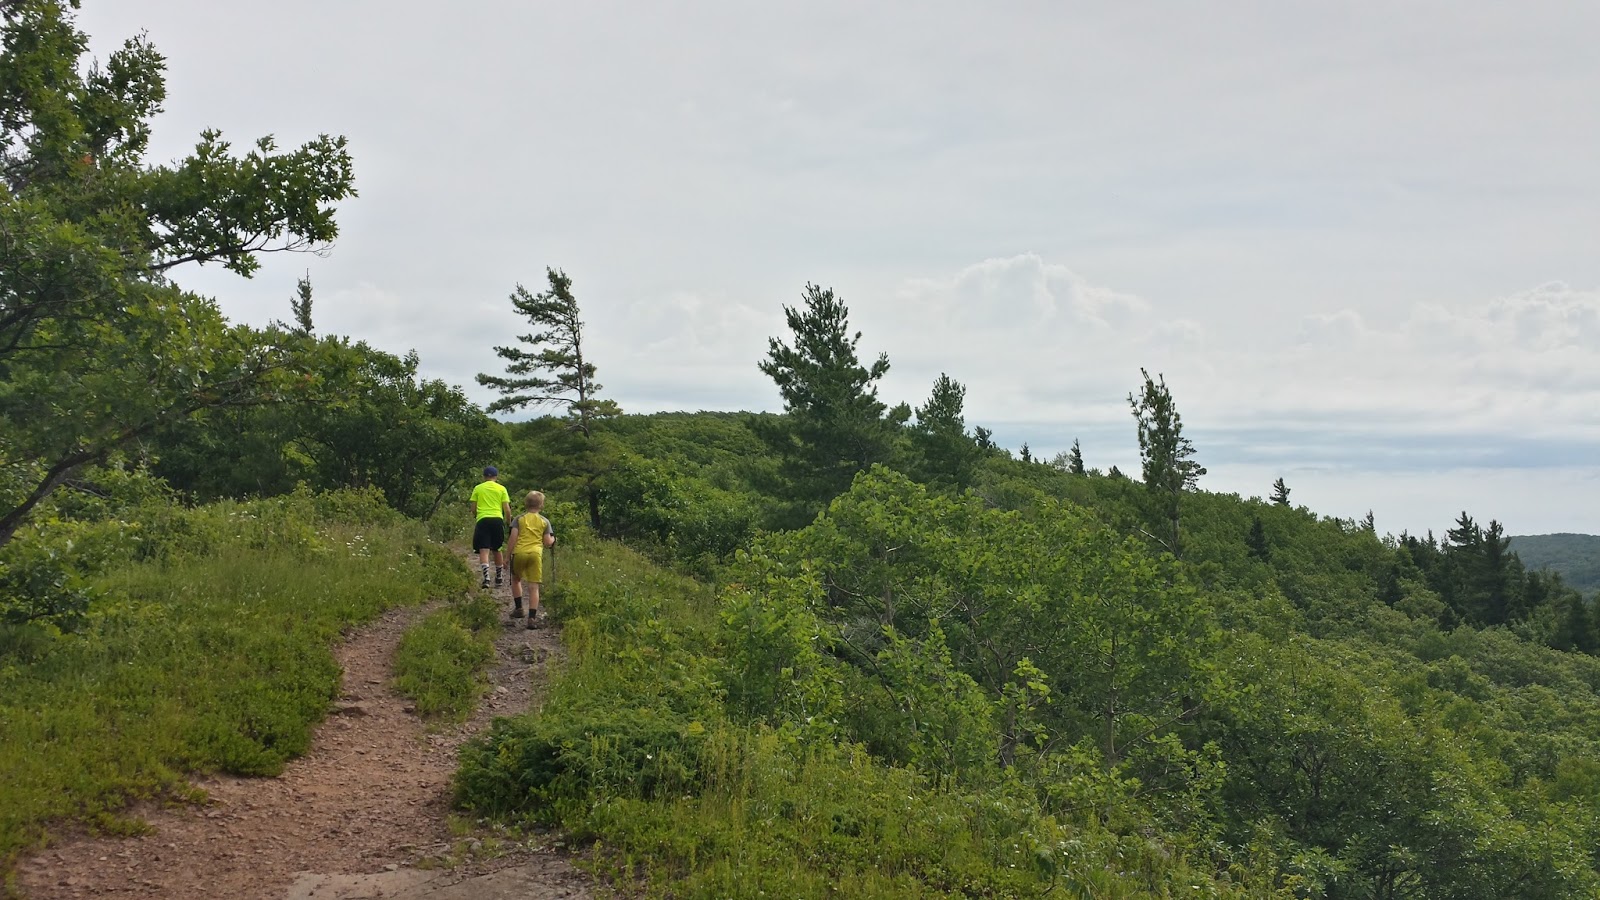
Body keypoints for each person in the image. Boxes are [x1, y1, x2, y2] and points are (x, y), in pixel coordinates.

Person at [506, 490, 556, 627]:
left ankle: (519, 608)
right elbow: (547, 542)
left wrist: (507, 556)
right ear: (541, 505)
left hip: (519, 553)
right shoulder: (545, 521)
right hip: (535, 554)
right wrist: (553, 539)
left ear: (526, 504)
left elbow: (513, 538)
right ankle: (532, 618)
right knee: (534, 587)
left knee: (516, 580)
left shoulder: (519, 519)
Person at [468, 466, 512, 589]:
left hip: (483, 520)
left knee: (484, 549)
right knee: (497, 548)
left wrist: (477, 516)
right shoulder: (501, 489)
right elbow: (507, 509)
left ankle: (486, 578)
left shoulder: (478, 488)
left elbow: (473, 508)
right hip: (497, 519)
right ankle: (499, 577)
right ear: (496, 477)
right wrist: (509, 522)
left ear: (484, 477)